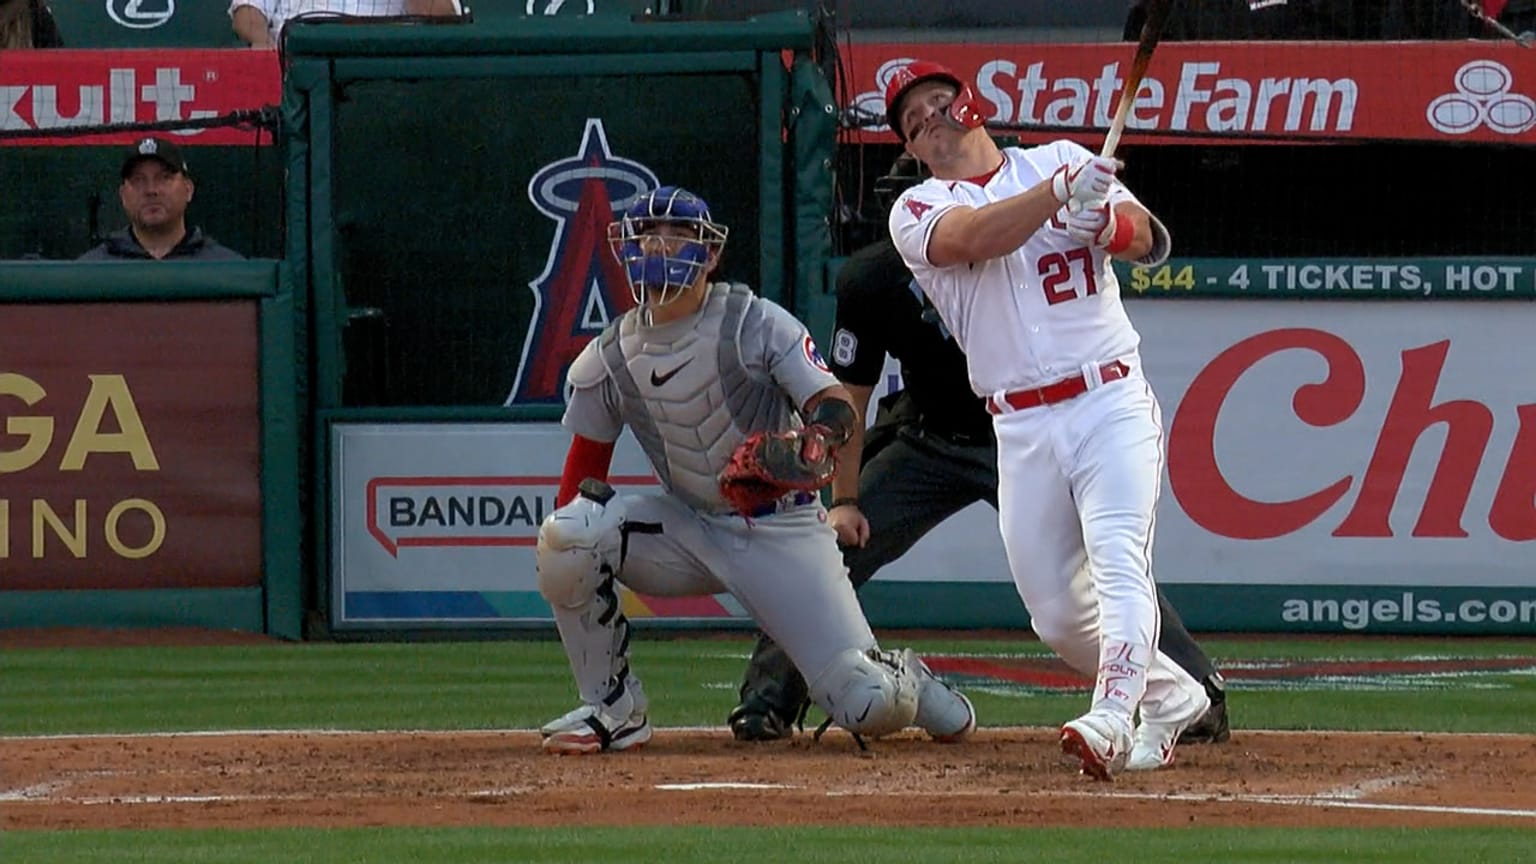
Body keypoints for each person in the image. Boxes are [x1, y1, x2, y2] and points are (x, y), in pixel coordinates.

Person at [727, 154, 1230, 753]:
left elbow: (1119, 236)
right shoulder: (876, 273)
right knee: (832, 549)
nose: (930, 195)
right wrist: (846, 499)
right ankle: (767, 698)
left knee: (1110, 554)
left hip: (1025, 427)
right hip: (933, 435)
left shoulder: (1025, 227)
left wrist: (1097, 215)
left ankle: (1192, 691)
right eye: (915, 193)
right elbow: (851, 396)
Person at [534, 185, 976, 754]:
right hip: (690, 528)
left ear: (710, 252)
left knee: (869, 702)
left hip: (781, 528)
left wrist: (812, 447)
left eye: (678, 236)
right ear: (627, 248)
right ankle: (613, 710)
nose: (661, 248)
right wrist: (557, 552)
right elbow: (580, 479)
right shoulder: (609, 356)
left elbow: (834, 404)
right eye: (648, 235)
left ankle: (908, 679)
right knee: (570, 534)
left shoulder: (754, 322)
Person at [878, 61, 1208, 781]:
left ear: (971, 102)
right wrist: (1058, 197)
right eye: (912, 122)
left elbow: (1148, 240)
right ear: (909, 148)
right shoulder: (915, 211)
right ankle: (1172, 691)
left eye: (937, 103)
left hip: (1107, 398)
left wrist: (1104, 220)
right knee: (1055, 616)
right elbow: (973, 238)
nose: (929, 121)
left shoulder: (1063, 157)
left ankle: (1114, 717)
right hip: (1020, 424)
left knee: (1120, 556)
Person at [79, 138, 243, 262]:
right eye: (138, 180)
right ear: (122, 195)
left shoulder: (225, 266)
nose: (151, 190)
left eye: (164, 178)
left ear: (188, 189)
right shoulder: (91, 268)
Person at [230, 0, 462, 48]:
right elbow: (248, 11)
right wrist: (262, 42)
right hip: (296, 68)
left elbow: (441, 15)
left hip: (380, 72)